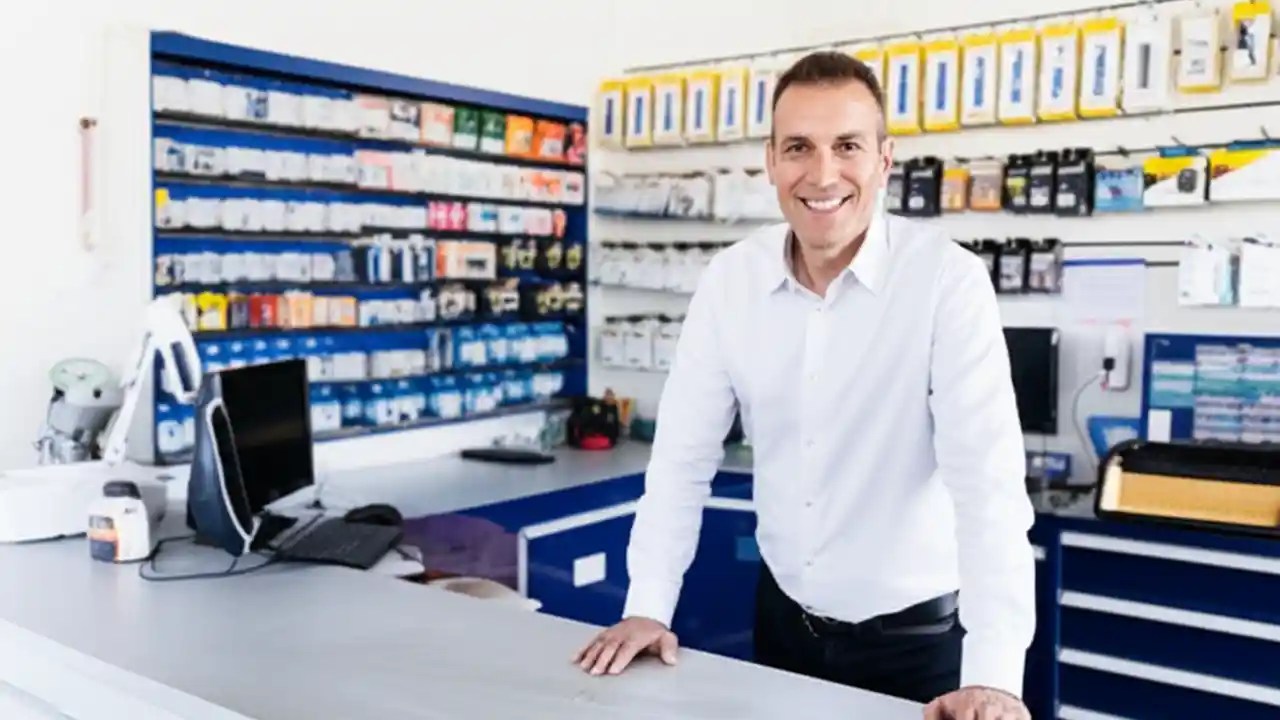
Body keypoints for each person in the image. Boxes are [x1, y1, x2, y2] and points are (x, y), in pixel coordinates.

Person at [573, 51, 1036, 720]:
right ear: (770, 161)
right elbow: (680, 459)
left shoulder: (946, 282)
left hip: (917, 644)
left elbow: (988, 487)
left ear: (884, 159)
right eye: (799, 148)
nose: (823, 175)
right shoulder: (731, 281)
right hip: (785, 625)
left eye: (847, 146)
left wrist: (994, 676)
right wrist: (646, 606)